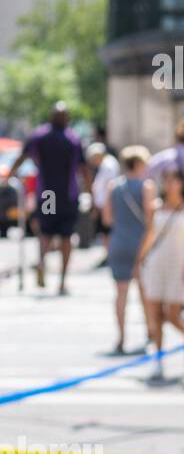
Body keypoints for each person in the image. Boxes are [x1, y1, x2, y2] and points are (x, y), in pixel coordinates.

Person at [14, 101, 86, 295]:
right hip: (63, 195)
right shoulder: (72, 139)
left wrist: (11, 174)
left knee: (48, 233)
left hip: (49, 195)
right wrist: (89, 191)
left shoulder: (41, 136)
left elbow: (23, 156)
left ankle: (43, 263)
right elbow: (83, 168)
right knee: (64, 236)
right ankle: (60, 278)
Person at [136, 167, 184, 382]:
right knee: (155, 315)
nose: (169, 185)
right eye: (166, 180)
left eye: (174, 180)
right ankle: (158, 361)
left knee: (173, 313)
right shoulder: (156, 207)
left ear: (182, 184)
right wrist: (140, 261)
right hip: (155, 264)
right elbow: (149, 234)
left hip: (177, 266)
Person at [101, 146, 153, 355]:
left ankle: (121, 337)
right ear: (140, 164)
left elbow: (106, 218)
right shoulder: (146, 186)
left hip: (119, 241)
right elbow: (151, 218)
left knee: (120, 293)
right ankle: (150, 331)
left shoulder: (113, 186)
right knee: (144, 291)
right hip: (141, 243)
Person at [86, 142, 120, 266]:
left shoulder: (108, 165)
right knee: (104, 232)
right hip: (103, 203)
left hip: (106, 204)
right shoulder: (106, 164)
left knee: (107, 231)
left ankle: (110, 255)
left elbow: (107, 187)